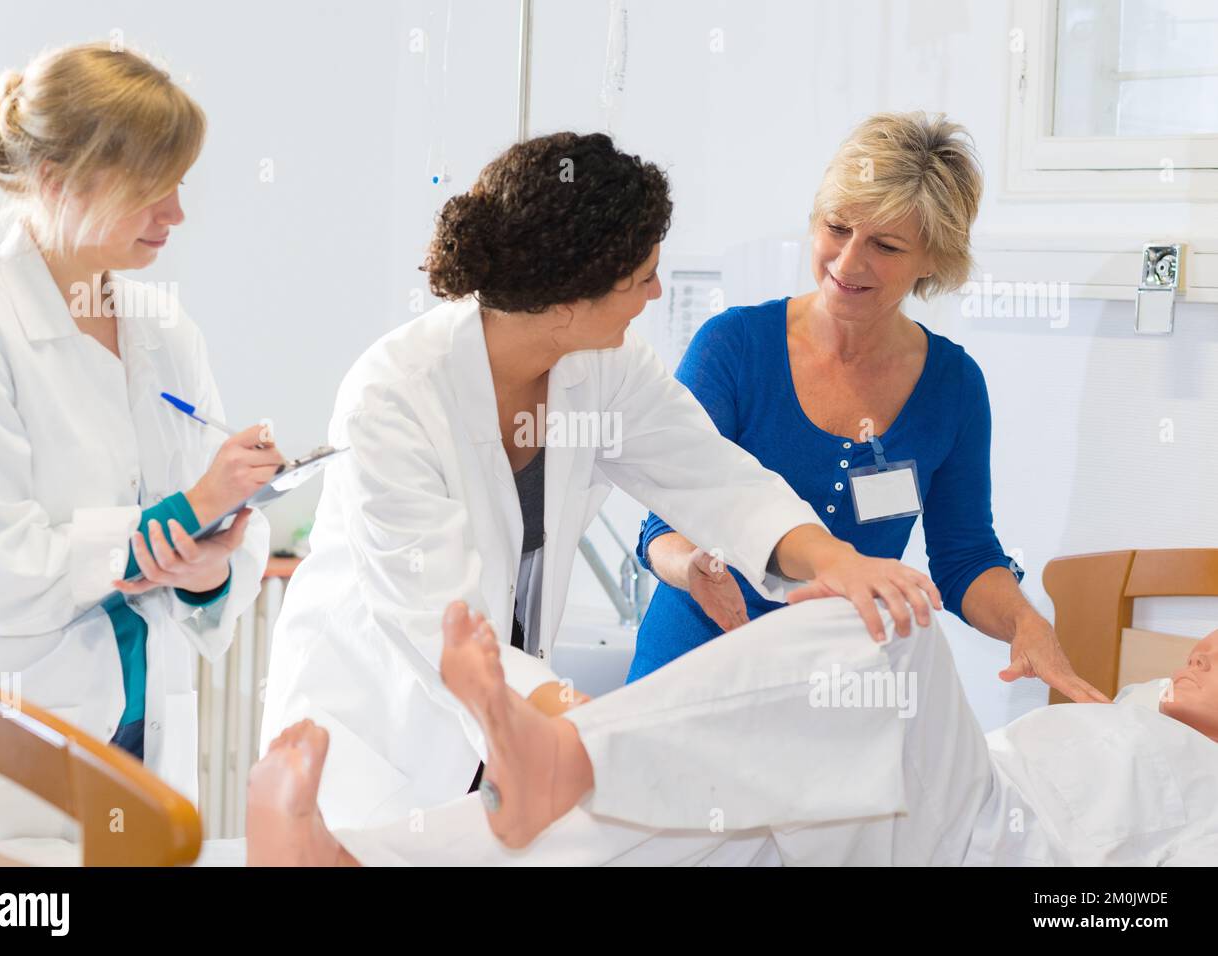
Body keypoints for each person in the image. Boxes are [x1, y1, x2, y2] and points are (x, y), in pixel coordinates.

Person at [260, 131, 942, 830]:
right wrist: (578, 728)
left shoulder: (605, 366)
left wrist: (840, 562)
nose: (655, 291)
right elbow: (439, 623)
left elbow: (713, 478)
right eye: (640, 276)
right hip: (375, 736)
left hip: (495, 742)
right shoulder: (394, 396)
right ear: (567, 297)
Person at [0, 43, 280, 839]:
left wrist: (208, 564)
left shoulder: (166, 330)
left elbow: (225, 550)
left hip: (145, 732)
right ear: (58, 181)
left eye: (178, 185)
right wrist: (183, 512)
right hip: (18, 738)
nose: (176, 214)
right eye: (153, 189)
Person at [627, 112, 1106, 706]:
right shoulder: (735, 347)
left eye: (885, 245)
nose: (849, 262)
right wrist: (690, 564)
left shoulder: (953, 386)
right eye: (838, 228)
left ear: (932, 258)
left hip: (832, 694)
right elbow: (661, 523)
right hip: (691, 675)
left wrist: (1026, 624)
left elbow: (964, 558)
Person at [248, 599, 1218, 866]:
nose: (1203, 642)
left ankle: (568, 753)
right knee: (676, 818)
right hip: (929, 803)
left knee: (894, 632)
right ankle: (356, 862)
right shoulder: (1122, 709)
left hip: (977, 835)